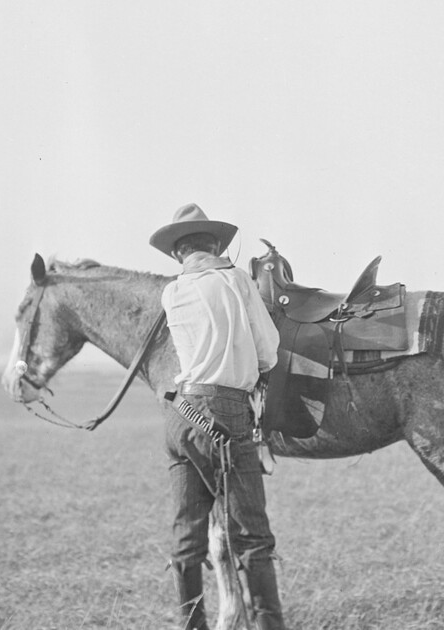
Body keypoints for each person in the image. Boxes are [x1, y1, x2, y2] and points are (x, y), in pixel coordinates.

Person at [149, 203, 286, 630]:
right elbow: (268, 350)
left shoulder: (171, 293)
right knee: (253, 538)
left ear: (178, 254)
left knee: (187, 539)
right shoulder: (236, 280)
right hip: (224, 414)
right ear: (215, 245)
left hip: (180, 414)